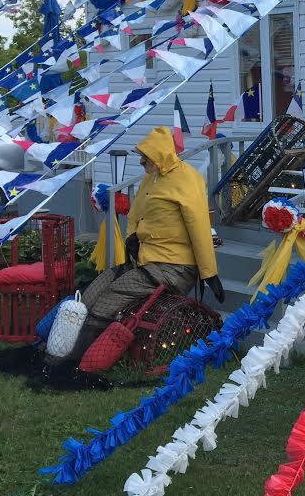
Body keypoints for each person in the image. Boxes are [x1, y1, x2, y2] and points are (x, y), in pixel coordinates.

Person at [47, 125, 224, 367]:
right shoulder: (152, 178)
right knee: (90, 294)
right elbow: (134, 214)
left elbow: (199, 226)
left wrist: (209, 272)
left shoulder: (187, 179)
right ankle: (58, 348)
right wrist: (131, 238)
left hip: (174, 266)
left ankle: (79, 362)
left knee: (109, 299)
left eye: (145, 156)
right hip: (145, 261)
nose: (141, 161)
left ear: (159, 155)